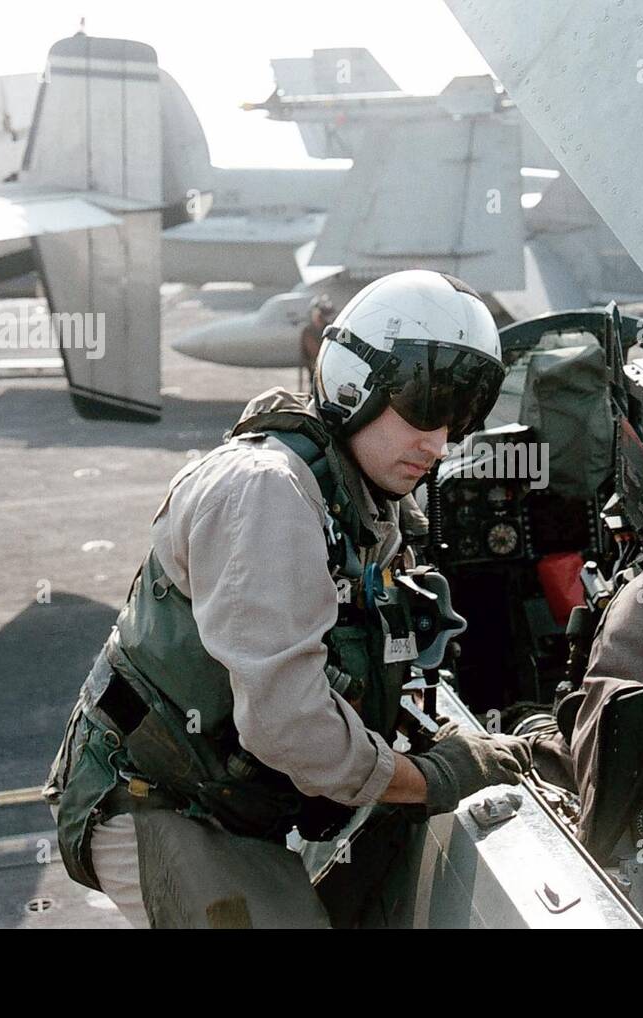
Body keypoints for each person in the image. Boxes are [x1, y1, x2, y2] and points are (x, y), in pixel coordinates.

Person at [44, 270, 529, 928]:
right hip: (157, 799)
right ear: (358, 385)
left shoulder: (364, 509)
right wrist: (430, 779)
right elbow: (286, 723)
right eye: (424, 406)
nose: (439, 443)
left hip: (244, 798)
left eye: (460, 418)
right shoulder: (267, 491)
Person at [298, 294, 336, 390]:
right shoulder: (307, 331)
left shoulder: (331, 330)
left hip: (329, 372)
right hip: (314, 372)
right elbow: (304, 356)